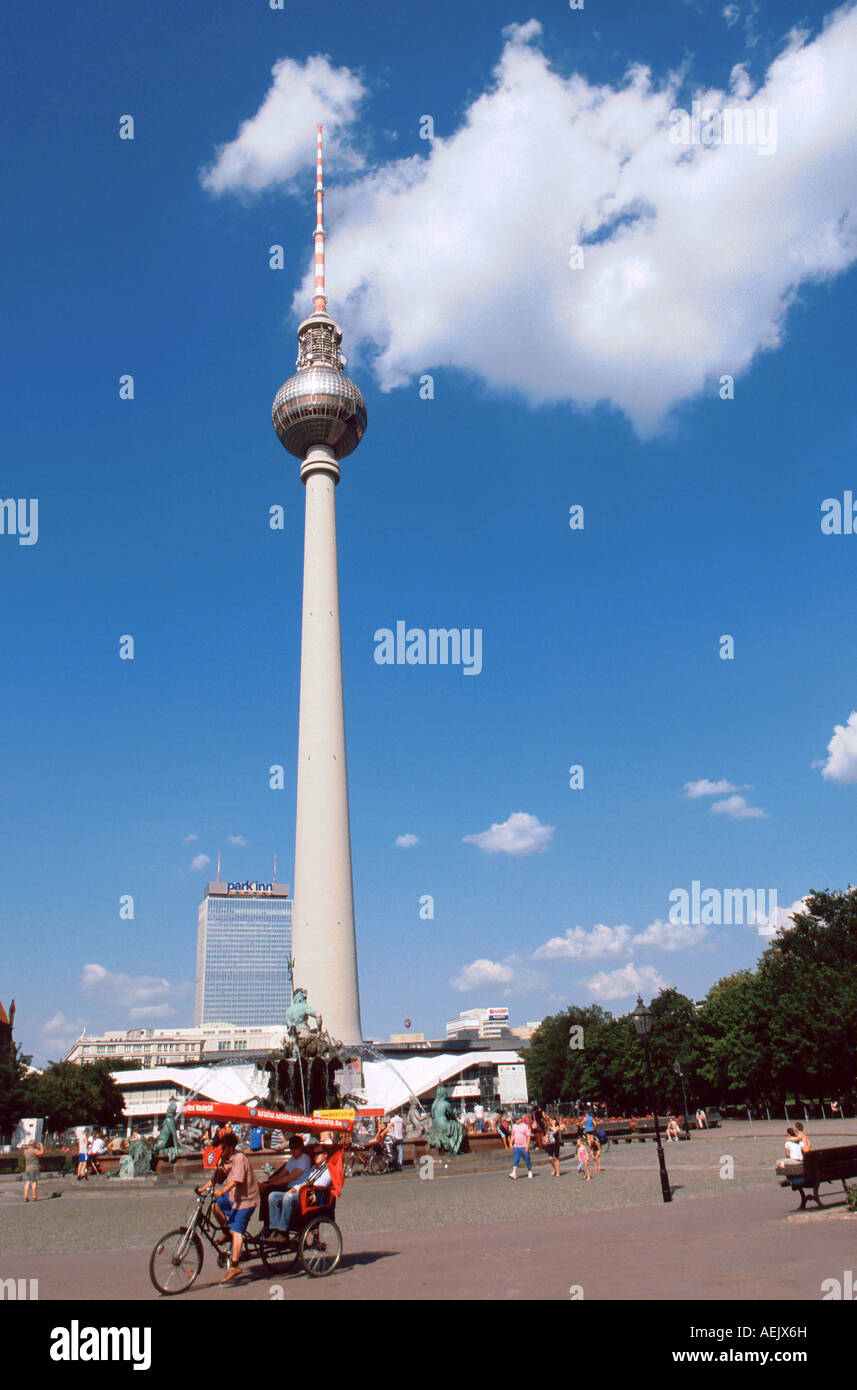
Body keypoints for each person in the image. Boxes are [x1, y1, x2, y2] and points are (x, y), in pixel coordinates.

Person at [206, 1131, 260, 1284]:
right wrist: (203, 1188)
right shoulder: (228, 1158)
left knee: (237, 1229)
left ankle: (235, 1265)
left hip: (246, 1200)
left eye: (223, 1147)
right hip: (233, 1197)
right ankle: (226, 1232)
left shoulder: (239, 1158)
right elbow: (218, 1177)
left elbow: (236, 1180)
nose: (221, 1150)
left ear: (231, 1147)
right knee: (216, 1205)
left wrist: (222, 1190)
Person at [268, 1144, 333, 1236]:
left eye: (318, 1153)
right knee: (273, 1196)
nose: (315, 1156)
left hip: (317, 1196)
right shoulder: (314, 1168)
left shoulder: (328, 1169)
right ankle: (274, 1229)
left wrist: (300, 1188)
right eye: (314, 1154)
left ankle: (282, 1232)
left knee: (288, 1197)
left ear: (325, 1154)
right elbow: (304, 1181)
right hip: (305, 1192)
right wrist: (295, 1188)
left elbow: (319, 1185)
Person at [258, 1136, 312, 1231]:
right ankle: (269, 1225)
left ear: (301, 1147)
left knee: (269, 1191)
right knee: (267, 1191)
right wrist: (267, 1183)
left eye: (295, 1147)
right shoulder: (292, 1159)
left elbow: (289, 1177)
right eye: (291, 1148)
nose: (293, 1150)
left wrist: (269, 1185)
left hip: (298, 1190)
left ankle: (275, 1228)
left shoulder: (304, 1159)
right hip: (288, 1187)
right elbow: (281, 1175)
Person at [21, 1136, 44, 1202]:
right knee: (34, 1182)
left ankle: (25, 1197)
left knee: (27, 1182)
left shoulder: (25, 1151)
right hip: (34, 1167)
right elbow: (41, 1153)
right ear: (33, 1144)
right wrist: (41, 1147)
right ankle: (34, 1196)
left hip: (27, 1168)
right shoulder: (34, 1150)